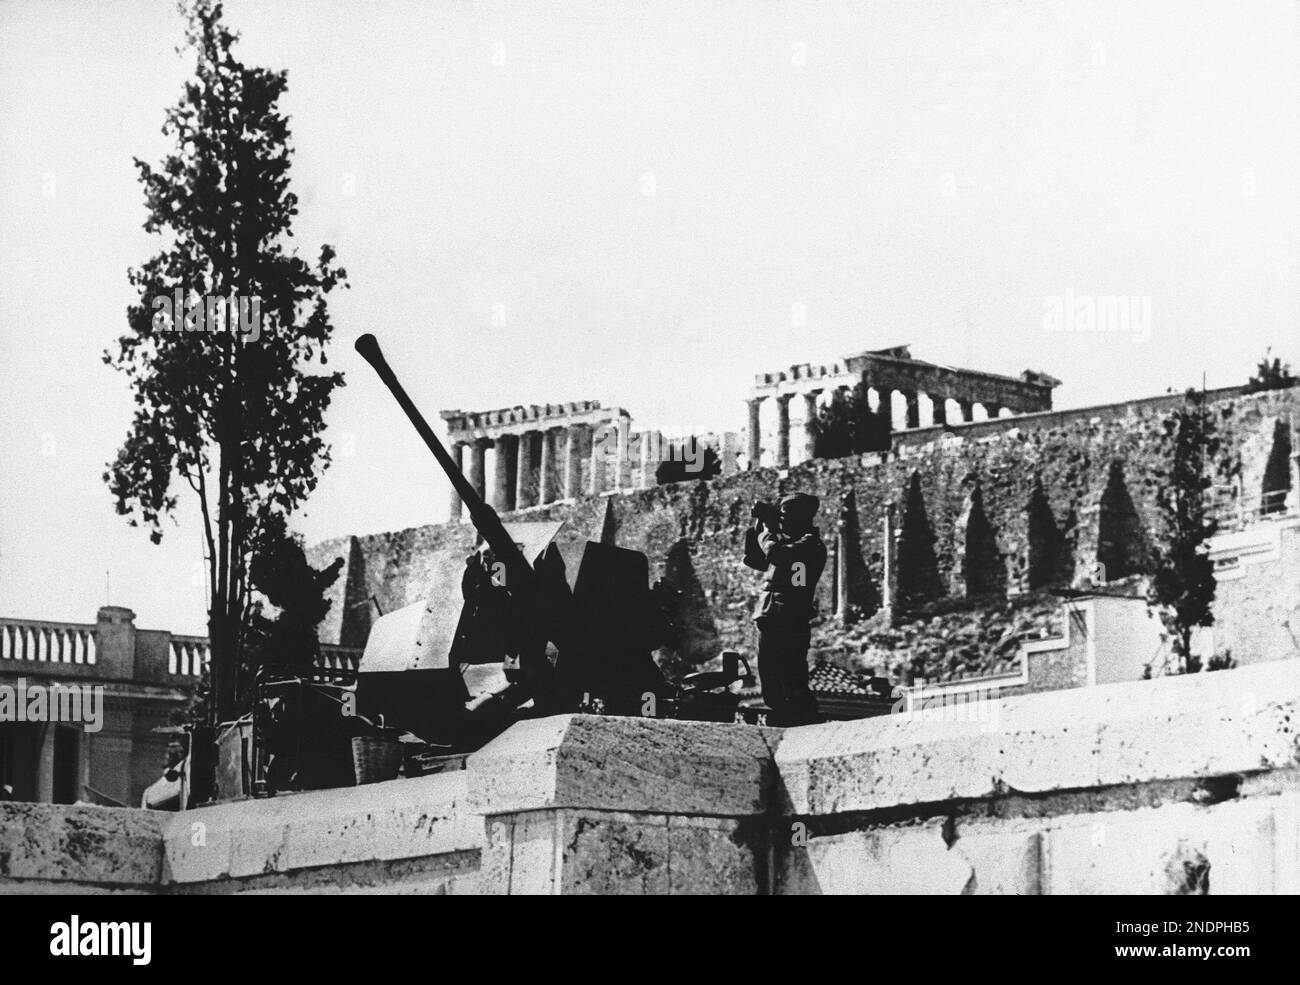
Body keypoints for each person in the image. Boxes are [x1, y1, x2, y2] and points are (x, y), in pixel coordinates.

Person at [743, 492, 827, 726]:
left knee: (791, 674)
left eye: (787, 516)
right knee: (769, 675)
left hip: (790, 616)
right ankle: (784, 713)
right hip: (771, 614)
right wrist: (758, 526)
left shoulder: (810, 544)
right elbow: (754, 559)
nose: (783, 521)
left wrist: (769, 530)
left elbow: (776, 555)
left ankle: (802, 716)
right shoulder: (788, 542)